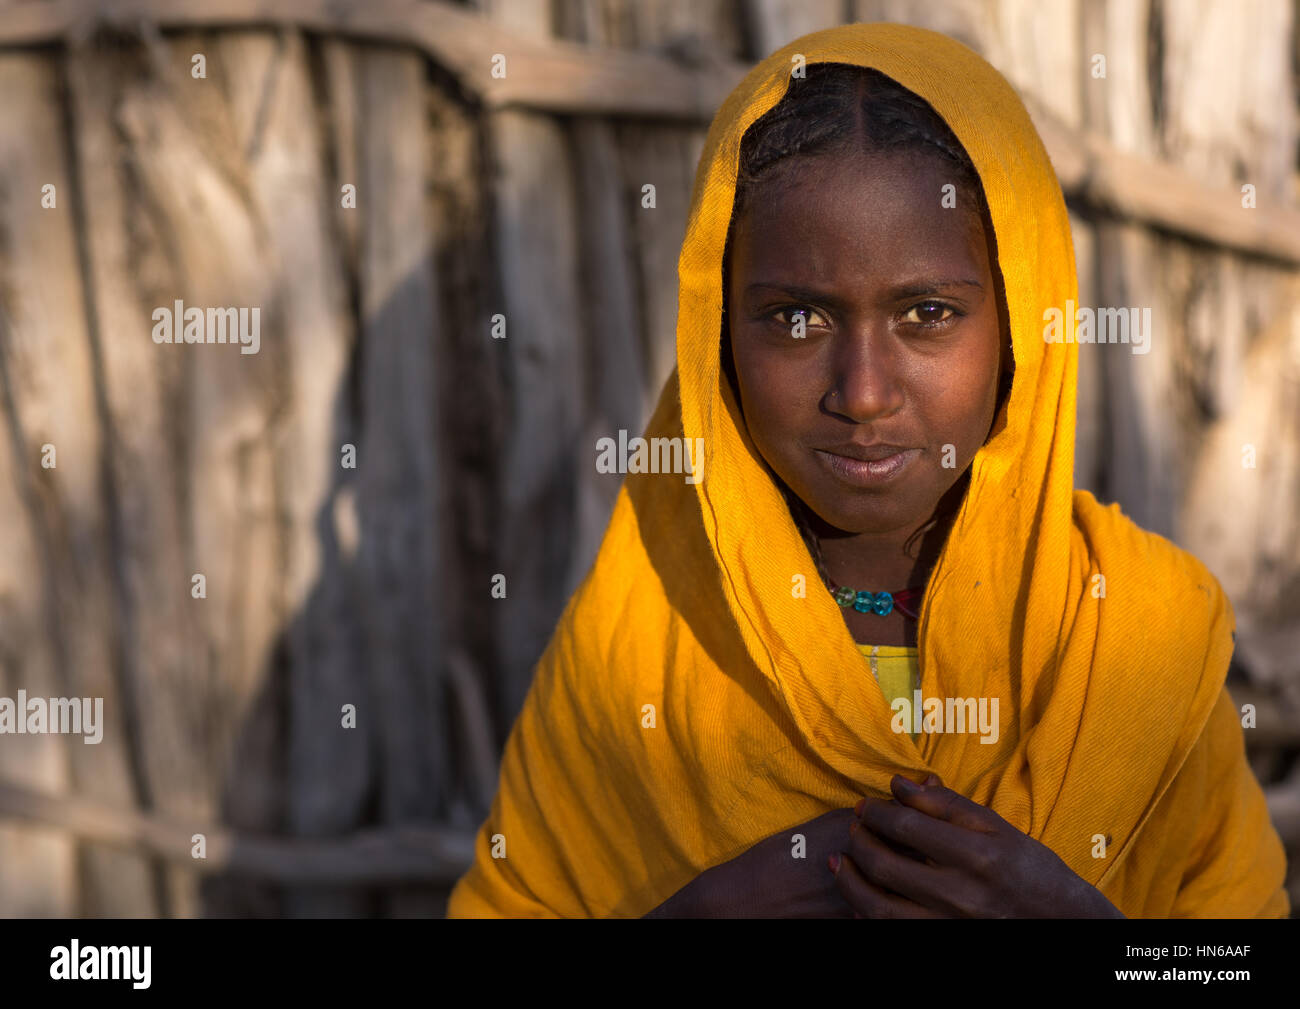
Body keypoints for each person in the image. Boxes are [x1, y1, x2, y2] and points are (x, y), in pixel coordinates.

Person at [446, 22, 1289, 918]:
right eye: (796, 318)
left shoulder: (1134, 638)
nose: (863, 392)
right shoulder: (639, 654)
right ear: (716, 333)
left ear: (1021, 320)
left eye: (927, 313)